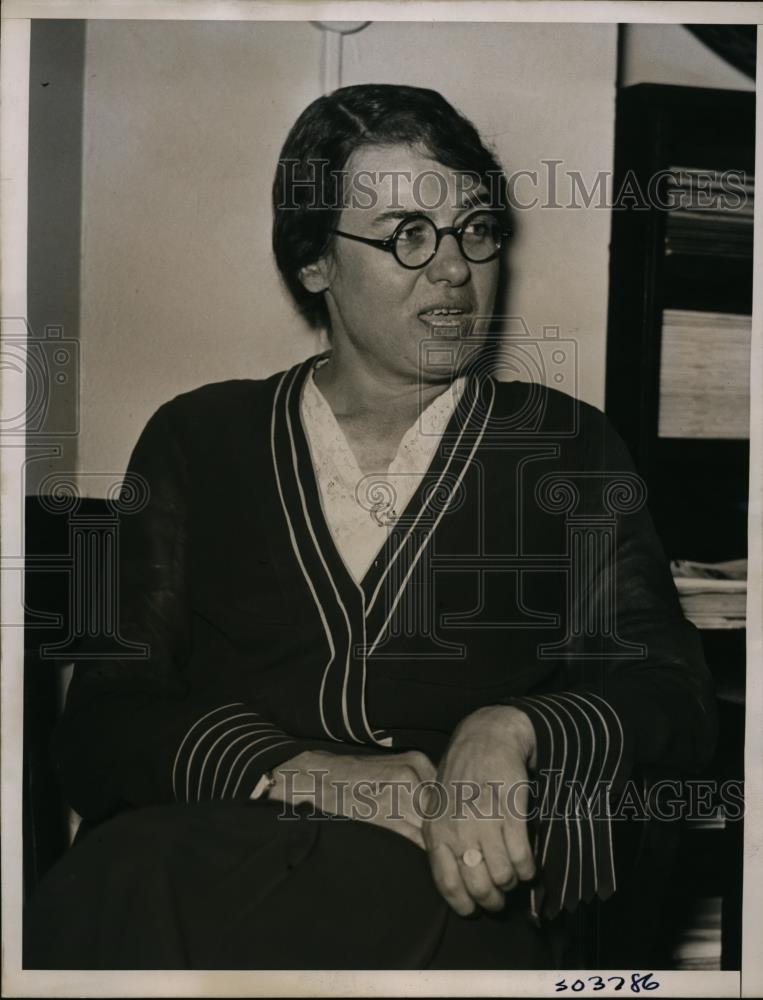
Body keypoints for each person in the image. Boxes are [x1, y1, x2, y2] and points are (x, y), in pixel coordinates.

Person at [24, 83, 716, 971]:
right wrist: (306, 773)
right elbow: (97, 726)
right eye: (406, 237)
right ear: (314, 261)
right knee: (103, 898)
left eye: (474, 228)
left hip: (447, 884)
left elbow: (675, 697)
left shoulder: (568, 447)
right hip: (200, 861)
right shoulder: (192, 438)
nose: (454, 270)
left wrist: (510, 728)